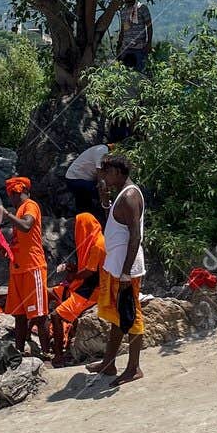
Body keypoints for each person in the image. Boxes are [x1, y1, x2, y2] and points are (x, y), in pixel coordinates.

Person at [92, 152, 145, 383]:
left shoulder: (131, 196)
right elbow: (117, 224)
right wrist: (105, 201)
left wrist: (125, 271)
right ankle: (109, 363)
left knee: (131, 316)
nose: (102, 176)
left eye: (105, 171)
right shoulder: (122, 195)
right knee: (117, 315)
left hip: (126, 268)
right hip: (118, 265)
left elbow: (135, 236)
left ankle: (134, 368)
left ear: (115, 172)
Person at [0, 176, 50, 355]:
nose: (12, 198)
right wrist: (7, 249)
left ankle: (46, 353)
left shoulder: (30, 205)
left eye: (14, 194)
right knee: (19, 314)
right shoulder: (20, 209)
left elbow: (27, 226)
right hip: (18, 268)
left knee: (39, 313)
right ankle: (19, 351)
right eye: (11, 195)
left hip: (32, 267)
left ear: (21, 192)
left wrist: (7, 215)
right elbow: (21, 239)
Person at [50, 210, 105, 366]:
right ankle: (66, 344)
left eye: (78, 226)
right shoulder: (95, 241)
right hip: (87, 287)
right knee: (53, 295)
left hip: (92, 291)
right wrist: (73, 269)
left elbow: (89, 272)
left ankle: (59, 355)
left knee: (56, 315)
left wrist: (73, 276)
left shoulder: (98, 245)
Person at [64, 142, 110, 215]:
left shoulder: (100, 148)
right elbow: (100, 178)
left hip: (75, 177)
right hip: (75, 179)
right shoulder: (102, 150)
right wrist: (105, 202)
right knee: (97, 192)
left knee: (84, 203)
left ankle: (83, 215)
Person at [116, 0, 152, 72]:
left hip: (139, 48)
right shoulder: (123, 11)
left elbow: (149, 26)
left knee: (139, 73)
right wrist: (119, 45)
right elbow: (124, 29)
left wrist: (149, 43)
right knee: (125, 74)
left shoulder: (142, 8)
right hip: (126, 48)